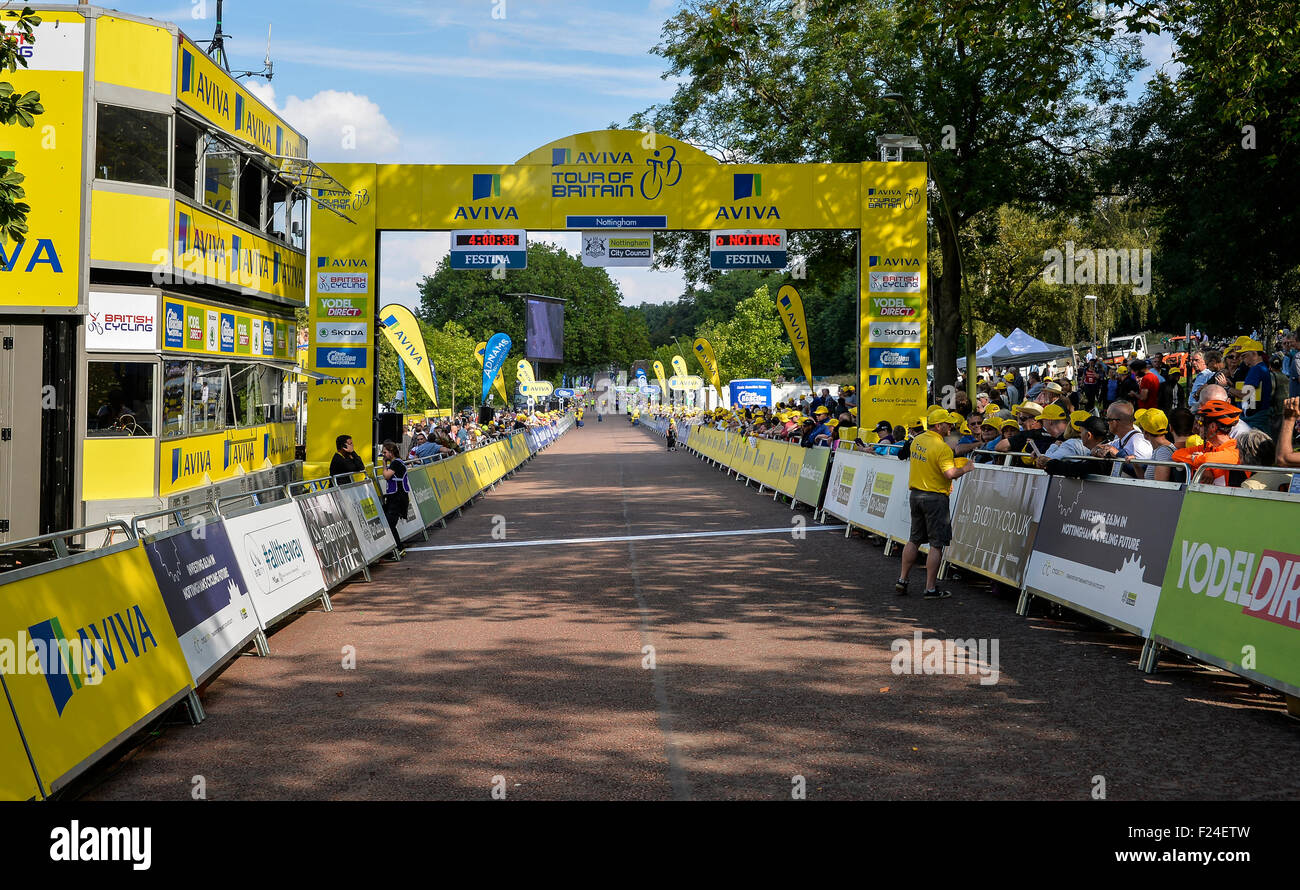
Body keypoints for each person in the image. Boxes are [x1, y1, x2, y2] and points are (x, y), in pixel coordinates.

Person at [895, 409, 975, 599]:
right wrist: (966, 468)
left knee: (914, 539)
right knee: (936, 544)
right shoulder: (941, 447)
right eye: (947, 424)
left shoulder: (917, 441)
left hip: (916, 494)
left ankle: (902, 580)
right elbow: (950, 474)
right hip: (935, 498)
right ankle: (930, 588)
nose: (950, 427)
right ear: (939, 426)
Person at [1171, 400, 1241, 485]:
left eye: (1200, 423)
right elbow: (1177, 455)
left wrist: (1202, 464)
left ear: (1212, 427)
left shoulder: (1236, 450)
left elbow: (1206, 459)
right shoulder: (1208, 447)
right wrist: (1206, 468)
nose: (1197, 427)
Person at [1095, 400, 1153, 477]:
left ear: (1115, 422)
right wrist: (1098, 451)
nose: (1107, 423)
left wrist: (1118, 454)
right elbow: (1095, 448)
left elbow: (1144, 477)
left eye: (1108, 419)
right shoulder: (1122, 439)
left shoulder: (1139, 442)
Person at [379, 440, 409, 559]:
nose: (384, 455)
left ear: (391, 452)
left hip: (397, 497)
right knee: (389, 522)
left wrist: (384, 464)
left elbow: (386, 475)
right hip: (396, 496)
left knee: (390, 523)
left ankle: (399, 549)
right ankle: (396, 548)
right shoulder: (397, 462)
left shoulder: (396, 463)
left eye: (385, 452)